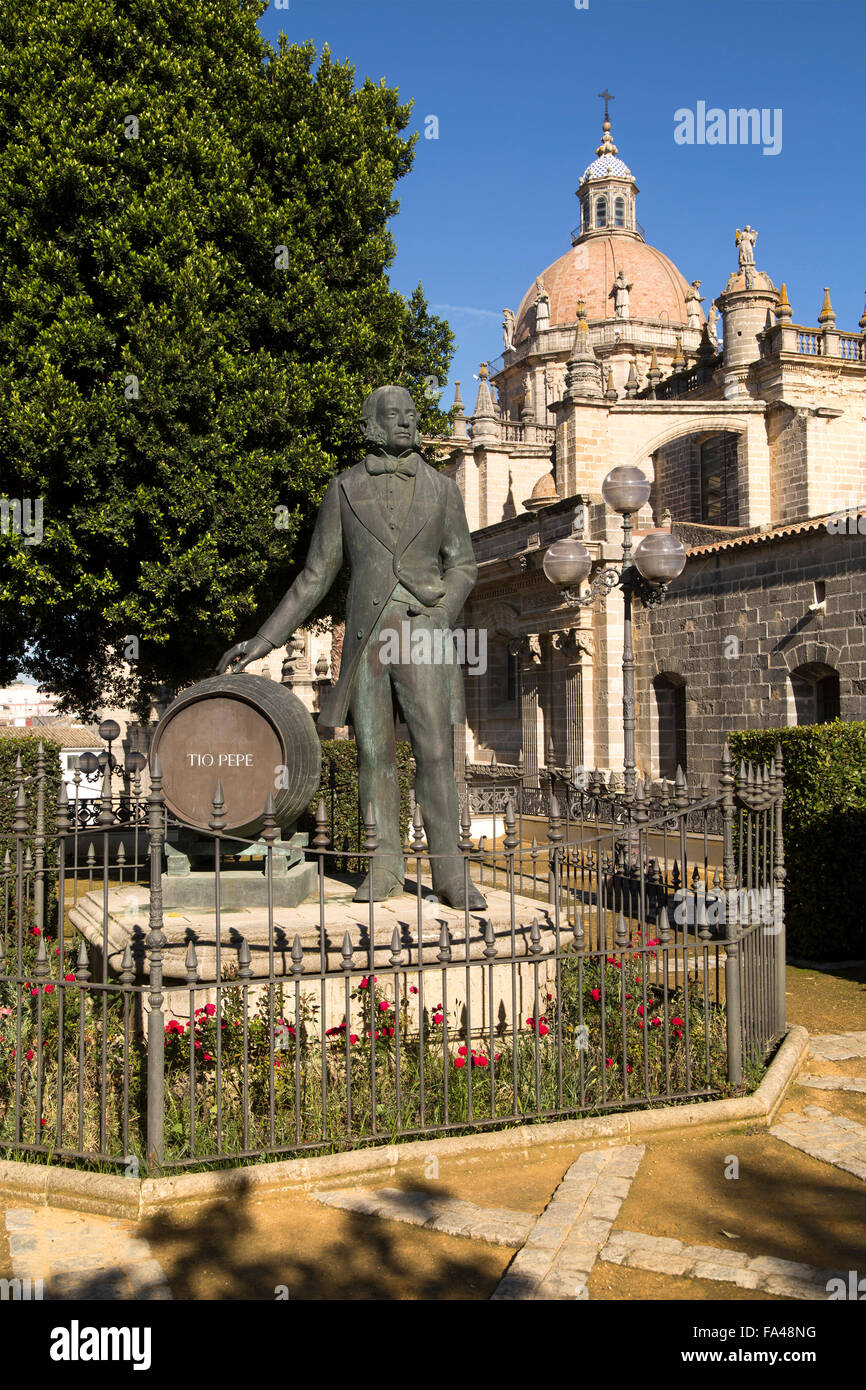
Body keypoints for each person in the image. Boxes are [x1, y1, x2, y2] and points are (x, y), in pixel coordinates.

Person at [216, 385, 486, 909]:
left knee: (435, 753)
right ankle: (383, 870)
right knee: (372, 755)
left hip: (424, 632)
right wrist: (263, 641)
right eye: (394, 416)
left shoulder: (442, 488)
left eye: (412, 414)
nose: (406, 422)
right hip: (367, 639)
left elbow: (465, 564)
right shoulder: (341, 490)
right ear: (370, 427)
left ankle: (452, 877)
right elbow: (315, 577)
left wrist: (442, 611)